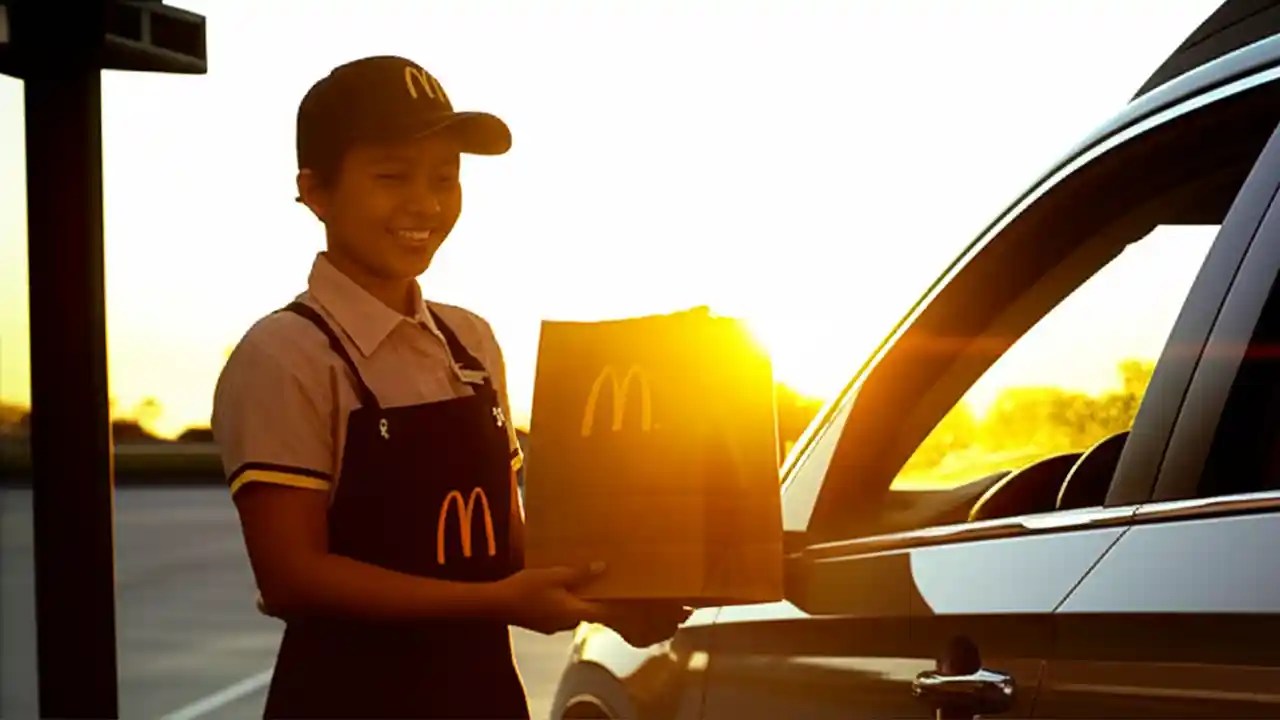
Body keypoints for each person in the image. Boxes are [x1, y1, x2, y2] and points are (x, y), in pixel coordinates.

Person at [211, 55, 688, 719]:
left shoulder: (472, 342)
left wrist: (621, 596)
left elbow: (508, 546)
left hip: (483, 699)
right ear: (316, 191)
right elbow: (294, 577)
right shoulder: (285, 356)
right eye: (391, 176)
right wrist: (498, 602)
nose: (426, 204)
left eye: (445, 177)